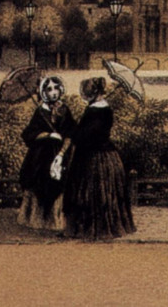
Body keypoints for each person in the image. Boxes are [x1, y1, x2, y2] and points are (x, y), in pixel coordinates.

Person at [61, 77, 136, 240]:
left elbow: (82, 136)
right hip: (108, 156)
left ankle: (92, 229)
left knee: (90, 193)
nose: (84, 96)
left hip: (94, 158)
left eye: (85, 94)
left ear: (92, 93)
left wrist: (67, 121)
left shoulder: (95, 111)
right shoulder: (104, 108)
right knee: (104, 195)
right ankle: (103, 227)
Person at [17, 76, 75, 232]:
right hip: (41, 156)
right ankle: (37, 221)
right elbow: (29, 133)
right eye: (49, 89)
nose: (53, 92)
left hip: (61, 153)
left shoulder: (64, 109)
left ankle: (57, 222)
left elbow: (71, 132)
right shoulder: (40, 111)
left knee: (61, 183)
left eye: (56, 88)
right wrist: (48, 135)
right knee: (39, 182)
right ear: (44, 92)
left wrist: (62, 151)